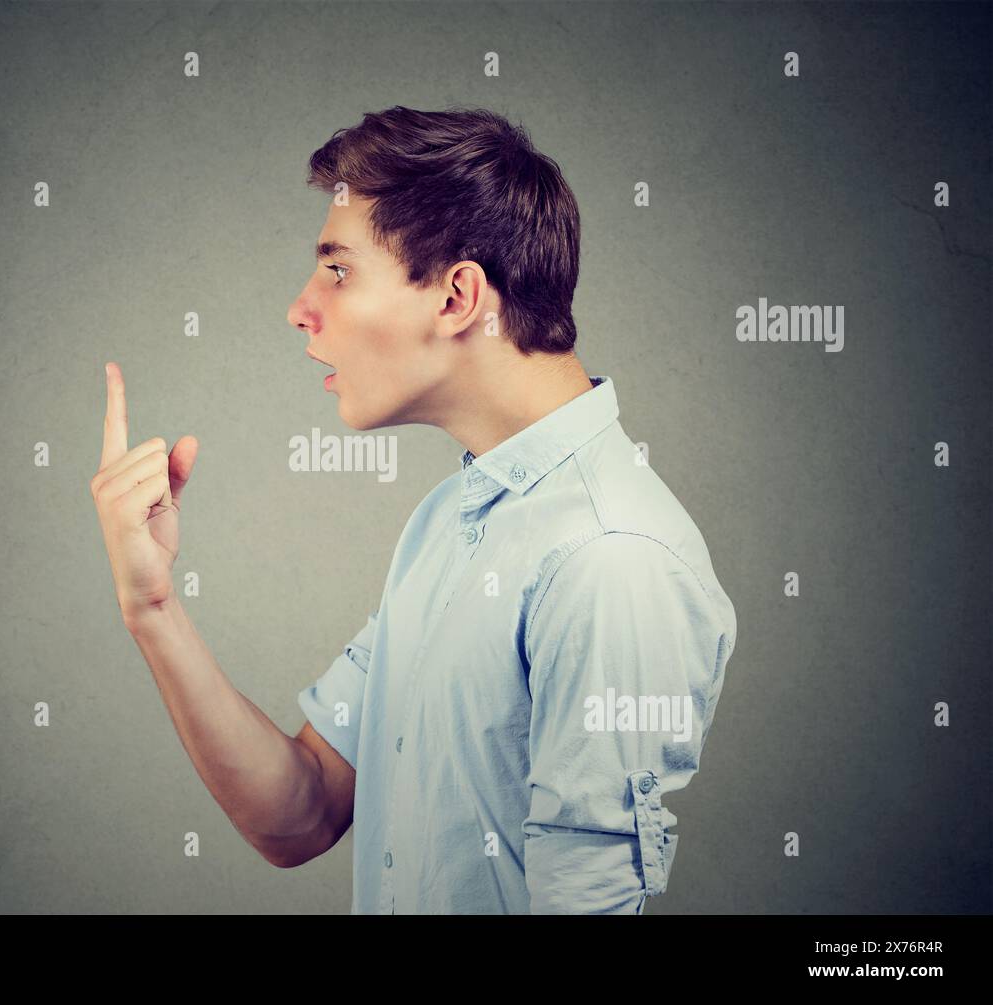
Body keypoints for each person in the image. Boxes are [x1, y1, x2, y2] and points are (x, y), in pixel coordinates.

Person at [90, 105, 737, 914]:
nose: (300, 307)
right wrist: (153, 609)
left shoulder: (610, 556)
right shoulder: (448, 521)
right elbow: (304, 810)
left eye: (337, 270)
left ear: (458, 295)